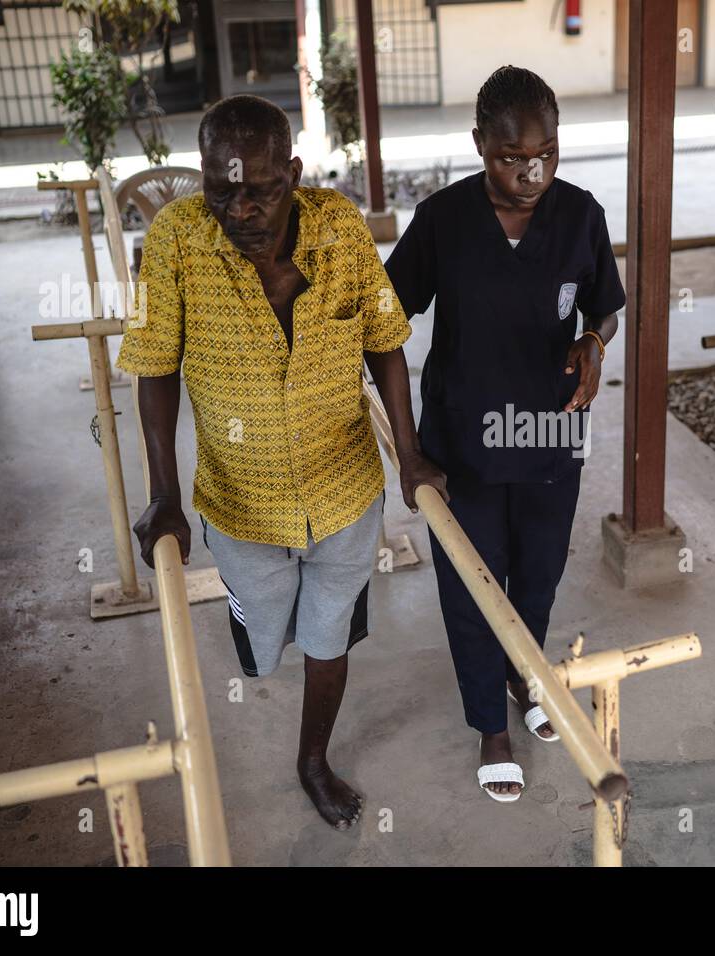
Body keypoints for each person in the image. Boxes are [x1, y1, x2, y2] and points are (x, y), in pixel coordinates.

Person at [116, 94, 445, 830]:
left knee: (329, 636)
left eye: (259, 189)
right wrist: (163, 491)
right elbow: (153, 369)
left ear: (292, 174)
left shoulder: (339, 229)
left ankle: (312, 759)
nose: (238, 209)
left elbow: (384, 339)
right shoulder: (173, 240)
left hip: (343, 490)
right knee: (262, 650)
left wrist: (412, 459)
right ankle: (266, 630)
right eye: (220, 188)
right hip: (239, 501)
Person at [384, 66, 625, 802]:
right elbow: (383, 326)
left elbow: (603, 306)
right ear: (479, 144)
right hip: (462, 445)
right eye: (511, 156)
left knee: (538, 574)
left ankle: (528, 682)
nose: (532, 172)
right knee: (471, 585)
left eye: (547, 153)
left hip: (550, 435)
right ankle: (491, 724)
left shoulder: (580, 214)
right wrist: (409, 447)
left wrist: (595, 339)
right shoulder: (443, 221)